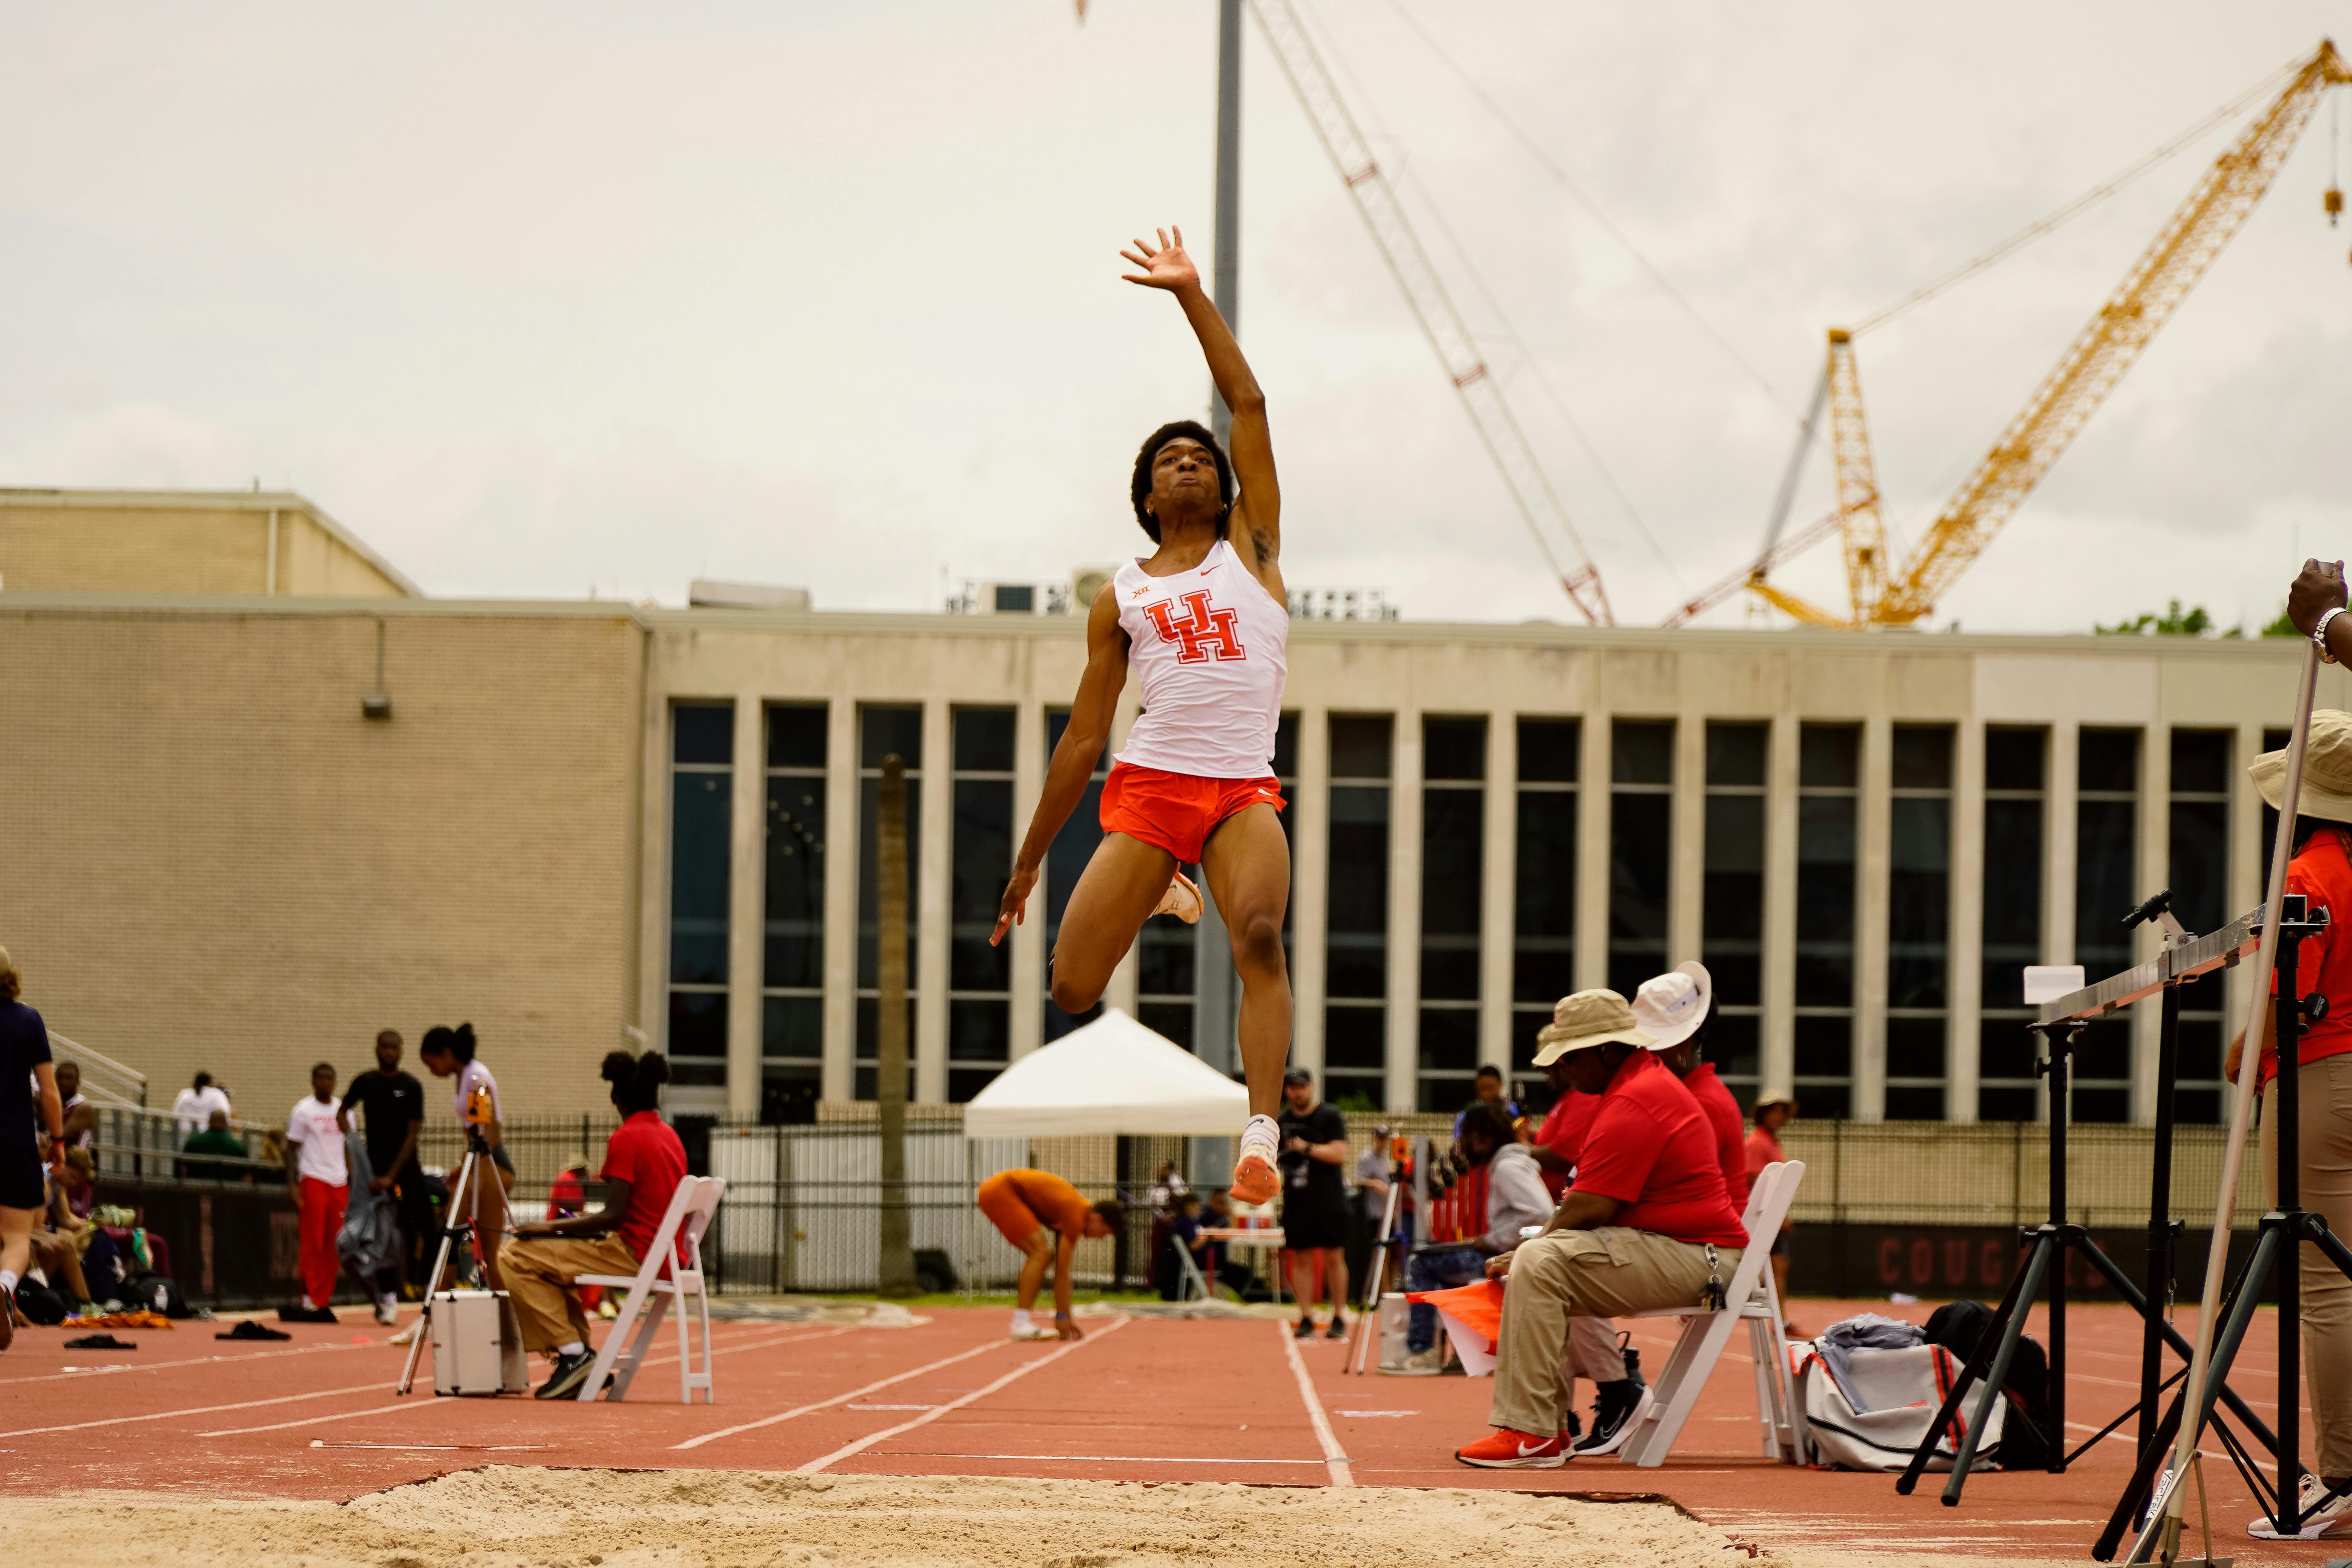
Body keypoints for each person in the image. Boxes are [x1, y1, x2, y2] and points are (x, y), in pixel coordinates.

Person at [990, 226, 1294, 1207]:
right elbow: (1083, 738)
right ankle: (1166, 882)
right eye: (1170, 459)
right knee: (1072, 986)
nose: (1190, 463)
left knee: (1258, 932)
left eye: (1201, 457)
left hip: (1241, 787)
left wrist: (1188, 295)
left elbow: (1245, 402)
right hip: (1150, 785)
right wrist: (1031, 858)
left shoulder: (1251, 547)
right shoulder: (1121, 595)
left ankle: (1260, 1130)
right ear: (1148, 496)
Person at [1452, 989, 1747, 1469]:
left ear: (1610, 1050)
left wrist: (1530, 1248)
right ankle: (1553, 1422)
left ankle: (1538, 1429)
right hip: (1693, 1251)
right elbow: (1586, 1207)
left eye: (1570, 1055)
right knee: (1541, 1262)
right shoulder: (1634, 1088)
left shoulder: (1636, 1099)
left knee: (1541, 1263)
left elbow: (1589, 1206)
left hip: (1701, 1257)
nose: (1563, 1067)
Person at [2220, 696, 2352, 1539]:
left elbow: (2286, 995)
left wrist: (2244, 1048)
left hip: (2321, 1075)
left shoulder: (2308, 873)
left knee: (2323, 1285)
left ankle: (2339, 1473)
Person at [501, 1051, 687, 1400]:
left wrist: (546, 1228)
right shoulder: (670, 1136)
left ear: (616, 1098)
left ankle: (574, 1353)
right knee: (548, 1265)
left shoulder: (627, 1137)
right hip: (667, 1254)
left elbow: (612, 1216)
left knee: (515, 1256)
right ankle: (578, 1353)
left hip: (636, 1253)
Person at [1384, 1102, 1548, 1375]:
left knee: (1420, 1263)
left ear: (1481, 1137)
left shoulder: (1508, 1167)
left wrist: (1493, 1240)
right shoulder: (1510, 1163)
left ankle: (1422, 1350)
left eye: (1466, 1138)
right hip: (1506, 1251)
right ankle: (1465, 1351)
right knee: (1436, 1257)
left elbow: (1540, 1215)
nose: (1462, 1146)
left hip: (1507, 1255)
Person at [1636, 963, 1749, 1211]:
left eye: (1650, 1042)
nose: (1641, 1052)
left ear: (1683, 1043)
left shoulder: (1703, 1102)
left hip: (1705, 1241)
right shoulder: (1694, 1090)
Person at [1, 944, 67, 1350]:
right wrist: (58, 1141)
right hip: (13, 1141)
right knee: (17, 1237)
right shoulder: (27, 1021)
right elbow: (49, 1092)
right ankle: (6, 1283)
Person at [337, 1028, 426, 1325]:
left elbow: (413, 1133)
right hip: (372, 1172)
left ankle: (427, 1293)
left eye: (394, 1047)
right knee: (361, 1238)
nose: (389, 1052)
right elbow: (343, 1111)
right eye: (384, 1046)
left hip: (405, 1169)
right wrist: (354, 1153)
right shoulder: (365, 1082)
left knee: (420, 1231)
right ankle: (383, 1296)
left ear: (401, 1051)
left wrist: (392, 1176)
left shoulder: (411, 1085)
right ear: (377, 1049)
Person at [975, 1168, 1123, 1342]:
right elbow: (1062, 1273)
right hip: (1001, 1190)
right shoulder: (1076, 1215)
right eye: (1105, 1232)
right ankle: (1020, 1323)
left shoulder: (1075, 1211)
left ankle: (1021, 1321)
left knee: (1043, 1254)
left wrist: (1066, 1317)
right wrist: (1062, 1317)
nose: (1101, 1238)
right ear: (1097, 1219)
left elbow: (1063, 1272)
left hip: (998, 1189)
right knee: (1041, 1253)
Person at [416, 1022, 507, 1296]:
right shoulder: (464, 1076)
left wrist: (476, 1166)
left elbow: (488, 1127)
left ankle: (510, 1315)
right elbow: (471, 1130)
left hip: (492, 1166)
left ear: (446, 1054)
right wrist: (464, 1165)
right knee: (450, 1233)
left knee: (487, 1250)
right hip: (477, 1160)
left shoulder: (476, 1076)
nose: (432, 1072)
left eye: (432, 1064)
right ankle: (436, 1307)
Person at [1277, 1067, 1350, 1340]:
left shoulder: (1330, 1116)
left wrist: (1305, 1148)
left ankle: (1339, 1314)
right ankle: (1306, 1315)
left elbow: (1339, 1153)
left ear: (1312, 1087)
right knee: (1302, 1259)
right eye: (1292, 1087)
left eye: (1301, 1087)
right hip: (1297, 1201)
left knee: (1334, 1257)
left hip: (1329, 1199)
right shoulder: (1282, 1120)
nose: (1297, 1092)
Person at [281, 1062, 349, 1323]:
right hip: (314, 1179)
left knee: (335, 1244)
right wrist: (291, 1185)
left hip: (340, 1182)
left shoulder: (343, 1110)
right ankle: (308, 1296)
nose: (325, 1083)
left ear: (335, 1081)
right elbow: (290, 1149)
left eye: (329, 1078)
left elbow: (347, 1146)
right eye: (320, 1078)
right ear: (313, 1081)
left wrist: (352, 1180)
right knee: (314, 1242)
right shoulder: (303, 1111)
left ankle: (324, 1299)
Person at [1747, 1095, 1801, 1335]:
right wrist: (1776, 1217)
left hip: (1770, 1215)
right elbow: (1753, 1182)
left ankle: (1780, 1322)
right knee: (1767, 1269)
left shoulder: (1770, 1142)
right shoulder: (1758, 1142)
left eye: (1782, 1112)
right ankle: (1779, 1323)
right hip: (1762, 1216)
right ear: (1762, 1114)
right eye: (1773, 1112)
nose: (1779, 1117)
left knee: (1775, 1267)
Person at [181, 1108, 250, 1182]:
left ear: (210, 1122)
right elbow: (246, 1176)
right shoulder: (237, 1147)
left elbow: (183, 1169)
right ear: (226, 1123)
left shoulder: (193, 1143)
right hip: (228, 1192)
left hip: (197, 1190)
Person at [1451, 1066, 1519, 1137]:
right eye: (1482, 1088)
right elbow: (1458, 1141)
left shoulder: (1513, 1110)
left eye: (1491, 1088)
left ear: (1501, 1085)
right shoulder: (1465, 1115)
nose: (1486, 1094)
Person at [172, 1072, 233, 1139]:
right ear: (210, 1082)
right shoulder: (217, 1095)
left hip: (184, 1135)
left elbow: (175, 1115)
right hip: (209, 1137)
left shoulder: (185, 1095)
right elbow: (226, 1115)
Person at [53, 1060, 95, 1151]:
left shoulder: (83, 1107)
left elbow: (58, 1139)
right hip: (56, 1158)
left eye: (69, 1078)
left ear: (78, 1081)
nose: (64, 1082)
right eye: (60, 1078)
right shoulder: (56, 1104)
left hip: (75, 1162)